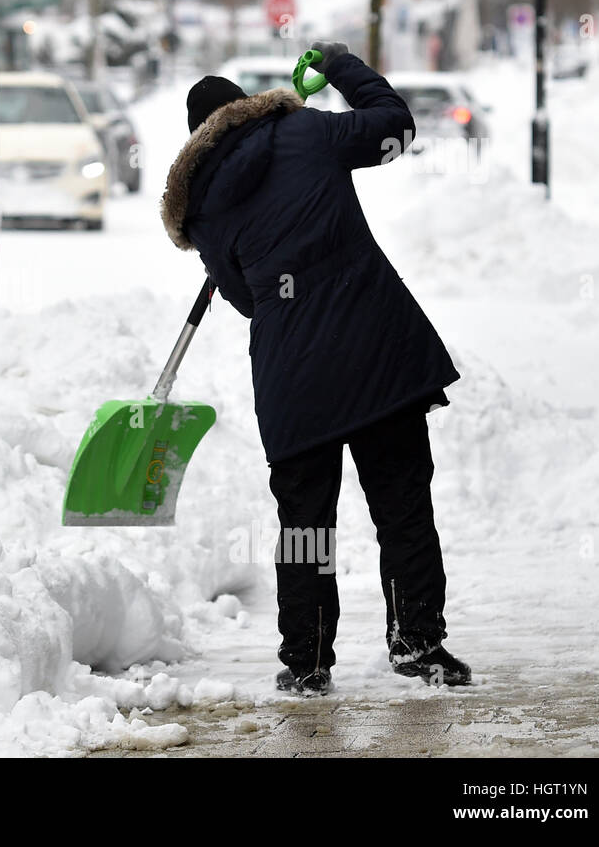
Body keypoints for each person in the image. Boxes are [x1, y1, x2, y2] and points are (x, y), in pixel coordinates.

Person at [160, 41, 468, 696]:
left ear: (196, 141)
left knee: (305, 528)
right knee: (402, 505)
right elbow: (396, 126)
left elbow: (247, 300)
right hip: (377, 353)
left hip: (294, 381)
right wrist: (340, 64)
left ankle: (306, 659)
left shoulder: (205, 207)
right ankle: (418, 641)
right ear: (245, 108)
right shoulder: (304, 129)